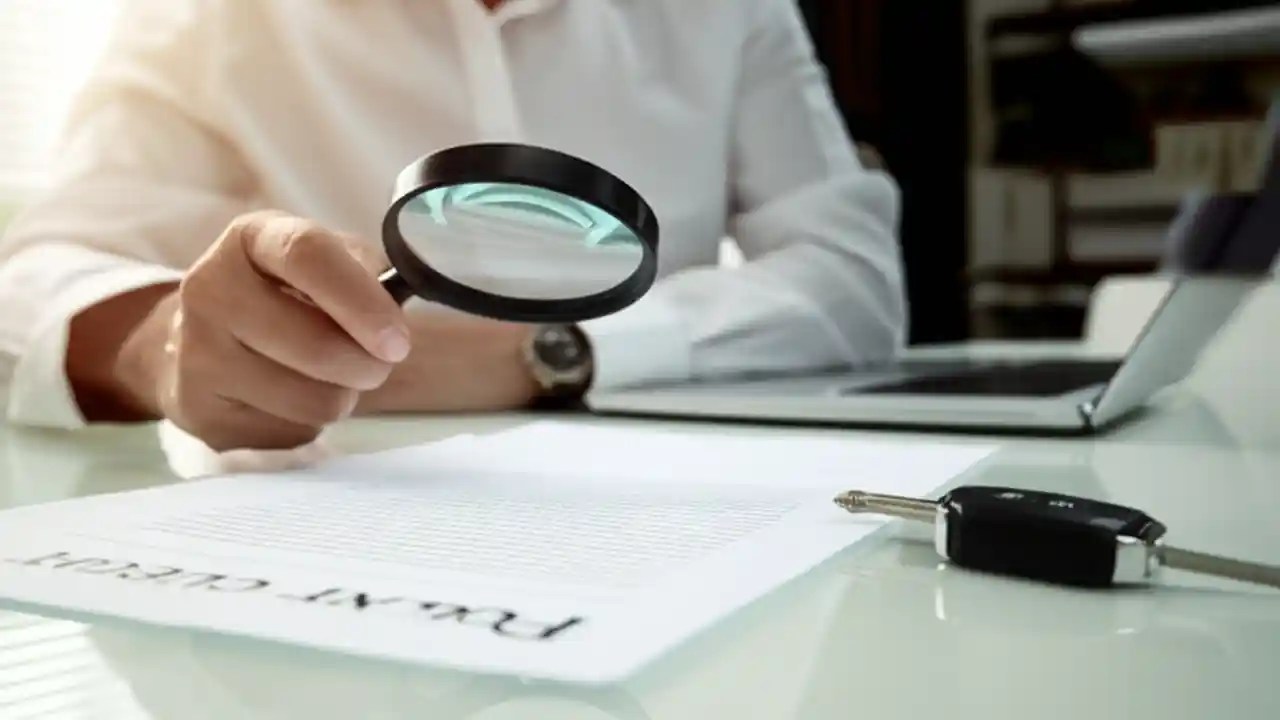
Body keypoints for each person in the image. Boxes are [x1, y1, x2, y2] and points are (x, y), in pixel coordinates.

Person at [0, 0, 906, 451]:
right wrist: (165, 346)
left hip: (664, 489)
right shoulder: (206, 16)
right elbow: (37, 272)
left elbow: (851, 277)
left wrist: (547, 354)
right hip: (330, 506)